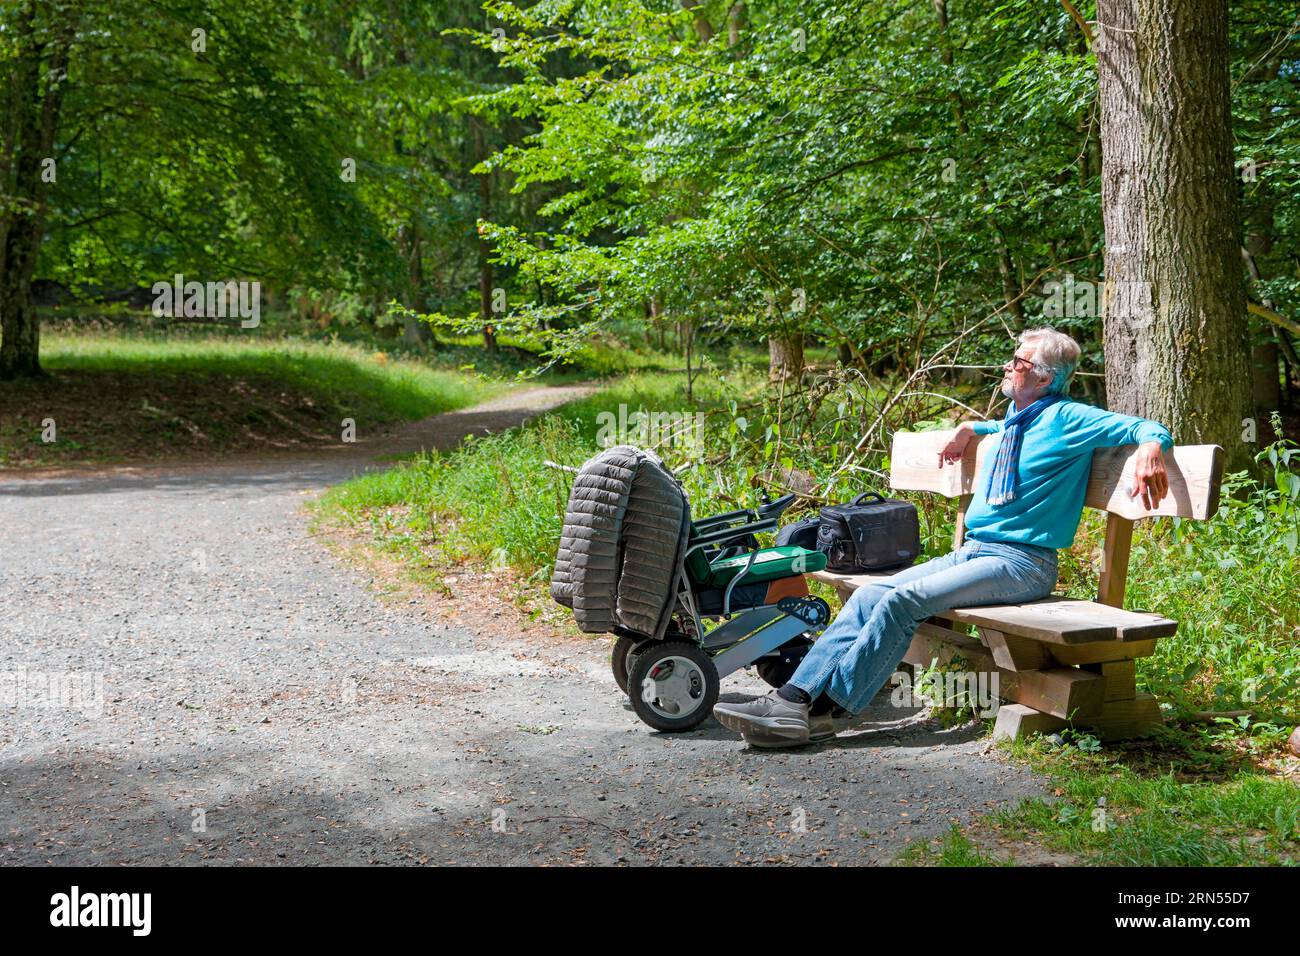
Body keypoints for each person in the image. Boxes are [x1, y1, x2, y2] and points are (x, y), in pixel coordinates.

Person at [713, 327, 1173, 748]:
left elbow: (1143, 427)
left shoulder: (1071, 418)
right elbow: (1004, 429)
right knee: (873, 595)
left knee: (900, 602)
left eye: (1018, 362)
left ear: (1043, 376)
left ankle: (828, 710)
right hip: (977, 551)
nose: (1008, 367)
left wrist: (1152, 448)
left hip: (1021, 563)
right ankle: (794, 699)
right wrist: (970, 428)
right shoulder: (1018, 418)